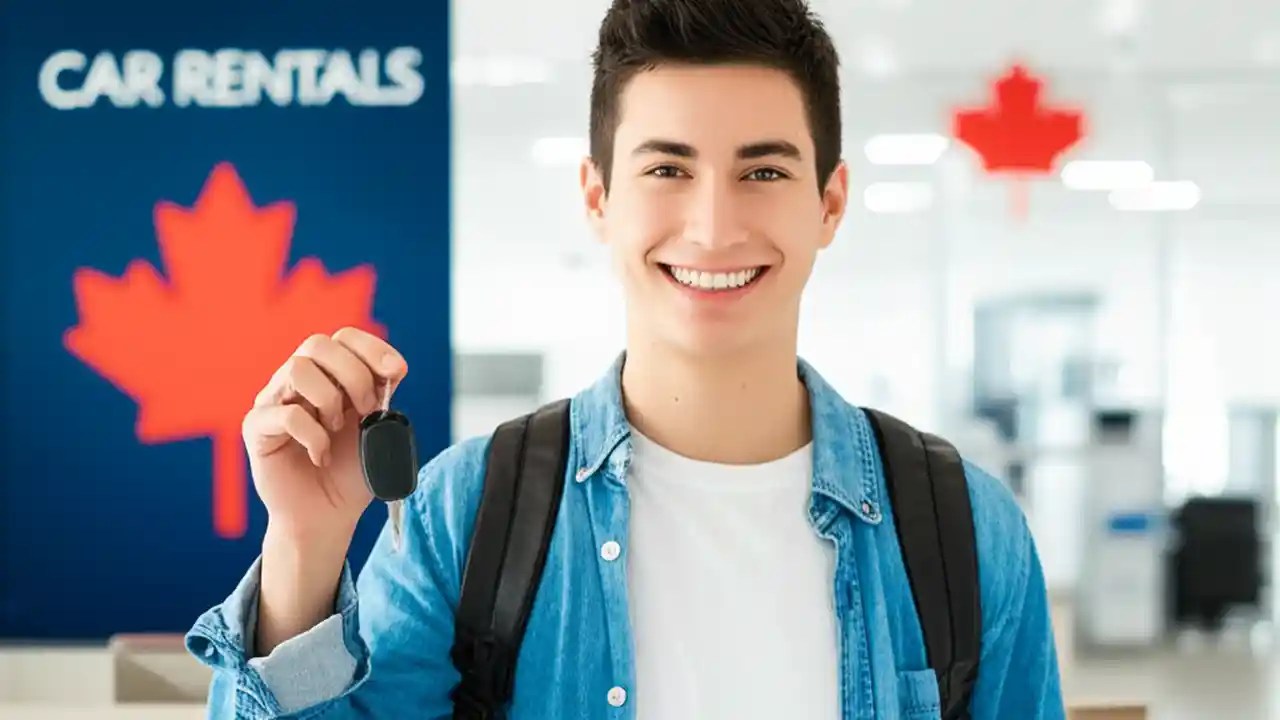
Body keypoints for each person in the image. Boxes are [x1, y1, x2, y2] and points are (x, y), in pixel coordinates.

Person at [187, 0, 1065, 717]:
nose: (715, 227)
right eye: (667, 170)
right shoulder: (465, 514)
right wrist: (304, 549)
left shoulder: (965, 530)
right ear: (598, 197)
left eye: (762, 172)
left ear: (829, 203)